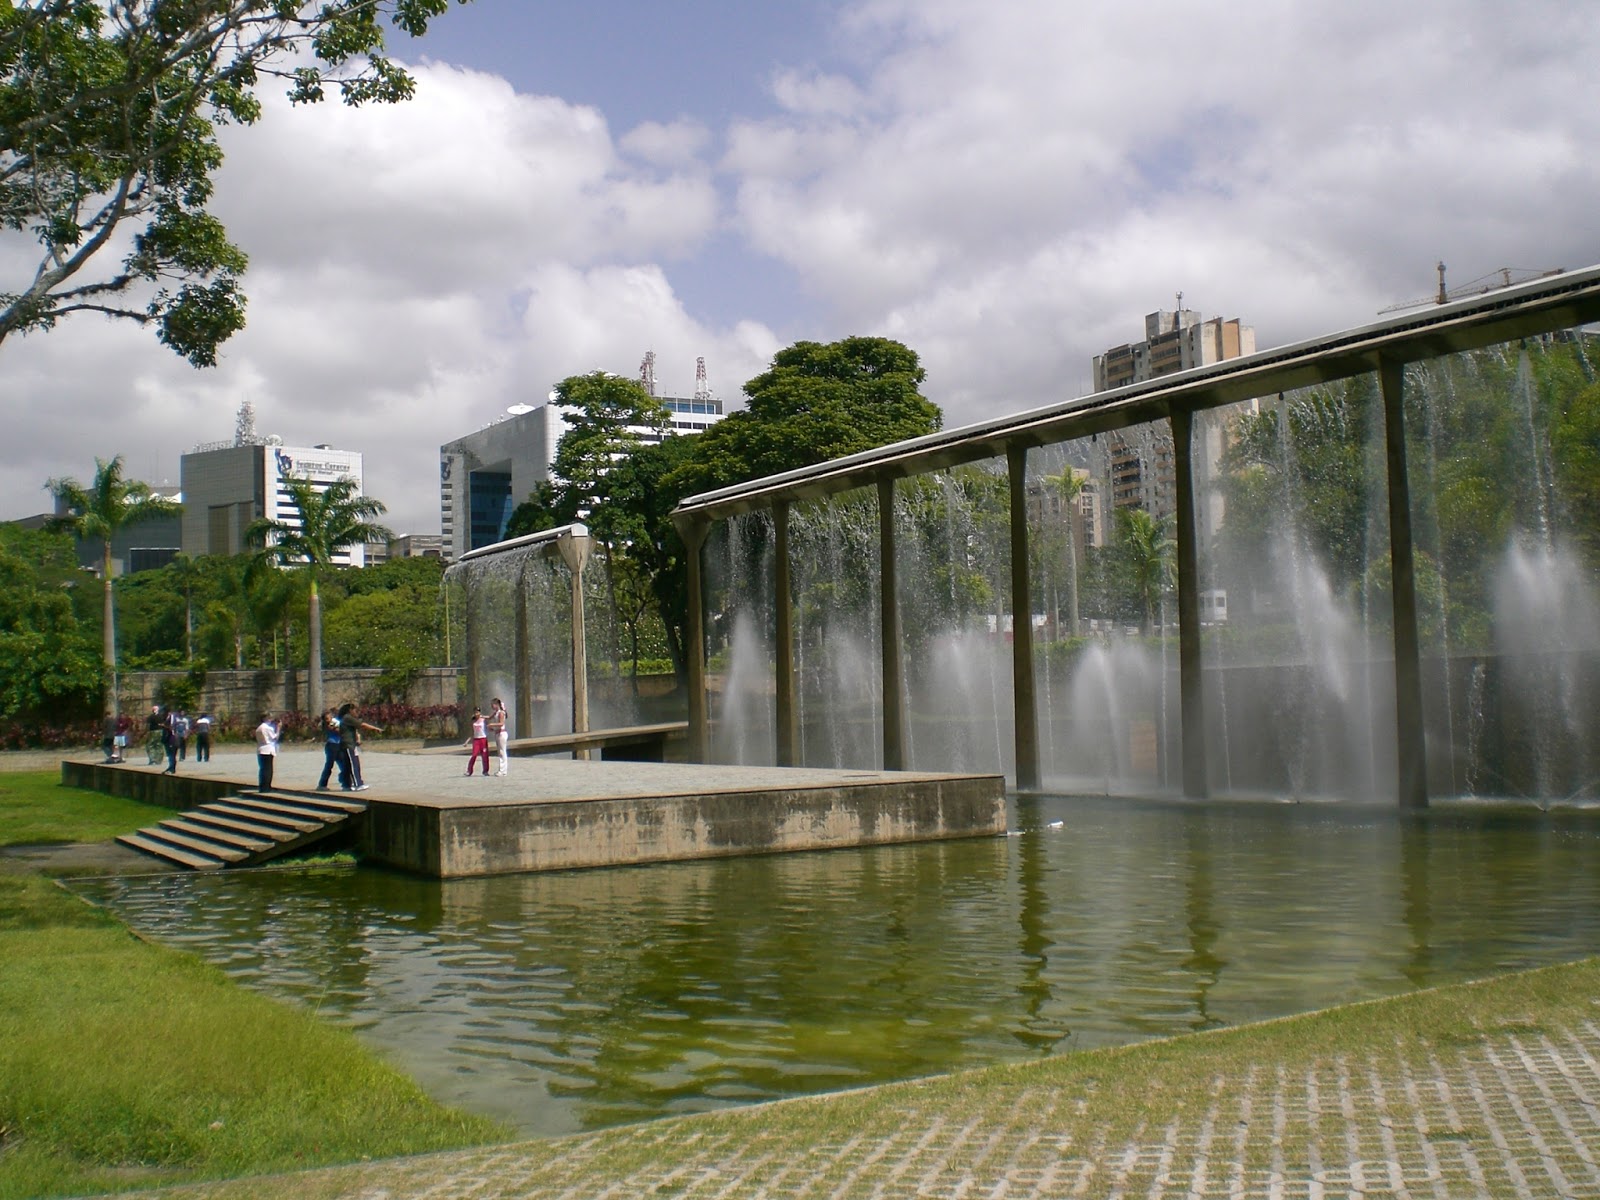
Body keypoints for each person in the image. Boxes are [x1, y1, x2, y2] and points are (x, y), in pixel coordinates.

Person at [338, 703, 383, 792]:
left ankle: (347, 785)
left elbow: (355, 730)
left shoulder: (346, 719)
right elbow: (362, 725)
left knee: (348, 766)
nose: (356, 712)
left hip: (349, 744)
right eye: (355, 710)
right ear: (350, 710)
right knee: (353, 764)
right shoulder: (347, 717)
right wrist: (375, 729)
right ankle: (358, 784)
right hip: (348, 745)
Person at [316, 708, 352, 791]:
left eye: (330, 717)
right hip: (332, 746)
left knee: (344, 765)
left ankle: (346, 784)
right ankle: (322, 784)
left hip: (339, 745)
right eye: (327, 718)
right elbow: (338, 731)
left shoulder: (336, 722)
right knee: (329, 765)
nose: (329, 719)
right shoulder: (328, 725)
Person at [254, 712, 280, 792]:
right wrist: (278, 728)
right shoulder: (267, 728)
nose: (270, 719)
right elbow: (274, 737)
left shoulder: (259, 727)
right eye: (269, 717)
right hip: (268, 749)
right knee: (268, 769)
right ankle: (266, 787)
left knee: (263, 769)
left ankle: (262, 786)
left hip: (261, 749)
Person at [464, 706, 490, 776]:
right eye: (475, 712)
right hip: (476, 740)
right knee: (474, 755)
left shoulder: (483, 720)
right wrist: (467, 741)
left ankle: (485, 770)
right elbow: (472, 732)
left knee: (484, 755)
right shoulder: (473, 721)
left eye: (478, 712)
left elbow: (490, 718)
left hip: (483, 739)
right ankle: (469, 770)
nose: (476, 714)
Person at [489, 697, 509, 777]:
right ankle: (503, 770)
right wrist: (480, 716)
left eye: (492, 704)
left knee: (502, 752)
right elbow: (489, 717)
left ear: (496, 705)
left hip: (502, 733)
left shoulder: (501, 713)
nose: (491, 706)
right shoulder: (496, 712)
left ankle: (502, 770)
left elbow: (501, 723)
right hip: (497, 733)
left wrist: (491, 725)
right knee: (500, 752)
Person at [160, 706, 179, 775]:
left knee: (172, 754)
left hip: (172, 738)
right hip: (167, 739)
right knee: (169, 755)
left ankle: (172, 769)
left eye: (163, 712)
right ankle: (170, 767)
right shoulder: (165, 718)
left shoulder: (172, 718)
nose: (162, 713)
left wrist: (164, 726)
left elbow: (172, 728)